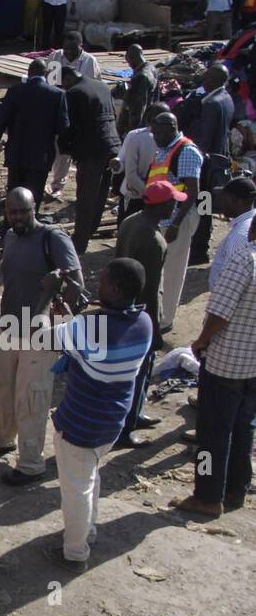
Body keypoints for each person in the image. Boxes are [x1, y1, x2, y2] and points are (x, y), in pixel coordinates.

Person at [46, 259, 153, 570]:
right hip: (112, 421)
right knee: (88, 476)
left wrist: (48, 295)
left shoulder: (89, 327)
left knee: (75, 490)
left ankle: (74, 552)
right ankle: (88, 531)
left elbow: (41, 336)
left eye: (103, 282)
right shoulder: (144, 323)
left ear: (116, 289)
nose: (97, 285)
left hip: (81, 423)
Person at [0, 186, 81, 482]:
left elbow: (76, 283)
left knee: (31, 398)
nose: (18, 217)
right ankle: (0, 438)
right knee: (0, 385)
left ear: (35, 209)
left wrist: (57, 325)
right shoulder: (10, 236)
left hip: (39, 332)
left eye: (23, 211)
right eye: (12, 212)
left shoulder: (52, 238)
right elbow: (9, 260)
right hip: (10, 325)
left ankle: (31, 463)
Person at [170, 243, 256, 517]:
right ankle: (236, 490)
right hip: (252, 367)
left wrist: (201, 341)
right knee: (243, 430)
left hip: (225, 365)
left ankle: (207, 496)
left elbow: (220, 313)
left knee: (210, 436)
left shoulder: (245, 259)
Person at [113, 181, 179, 448]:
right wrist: (155, 330)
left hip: (123, 308)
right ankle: (126, 429)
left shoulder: (130, 222)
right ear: (162, 205)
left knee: (135, 372)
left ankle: (136, 413)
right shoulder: (154, 241)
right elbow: (151, 291)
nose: (175, 207)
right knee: (138, 372)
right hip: (142, 316)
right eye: (173, 202)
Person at [0, 59, 68, 203]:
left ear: (28, 73)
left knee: (15, 197)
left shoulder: (14, 91)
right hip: (41, 156)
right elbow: (63, 128)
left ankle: (11, 217)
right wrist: (68, 150)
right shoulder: (57, 94)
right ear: (46, 73)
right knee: (33, 198)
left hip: (16, 153)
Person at [148, 110, 204, 332]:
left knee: (172, 271)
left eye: (160, 133)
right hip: (162, 217)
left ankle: (164, 320)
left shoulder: (186, 151)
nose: (156, 138)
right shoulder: (165, 148)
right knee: (158, 269)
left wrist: (176, 224)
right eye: (154, 134)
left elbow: (192, 192)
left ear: (173, 129)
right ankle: (154, 312)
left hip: (178, 219)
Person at [58, 65, 120, 254]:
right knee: (100, 194)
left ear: (67, 79)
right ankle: (90, 230)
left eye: (63, 84)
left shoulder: (74, 93)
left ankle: (80, 242)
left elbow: (68, 125)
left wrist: (65, 148)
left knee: (85, 196)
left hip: (92, 150)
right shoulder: (102, 85)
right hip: (112, 146)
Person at [178, 64, 234, 265]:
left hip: (205, 166)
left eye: (208, 76)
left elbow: (203, 139)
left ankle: (198, 249)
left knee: (201, 205)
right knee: (206, 206)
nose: (204, 79)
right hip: (217, 162)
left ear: (214, 80)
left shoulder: (210, 104)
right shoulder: (226, 98)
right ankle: (201, 246)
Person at [47, 31, 100, 196]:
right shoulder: (55, 57)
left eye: (72, 49)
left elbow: (90, 90)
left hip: (78, 111)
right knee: (51, 145)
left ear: (80, 47)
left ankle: (57, 185)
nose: (68, 53)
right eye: (66, 49)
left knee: (66, 150)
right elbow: (51, 85)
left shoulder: (89, 62)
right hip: (57, 108)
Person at [112, 101, 170, 222]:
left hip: (136, 192)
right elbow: (122, 161)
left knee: (128, 227)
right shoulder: (136, 136)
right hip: (146, 194)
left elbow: (125, 166)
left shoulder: (136, 136)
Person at [210, 177, 256, 290]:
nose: (220, 203)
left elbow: (232, 283)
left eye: (223, 199)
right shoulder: (250, 223)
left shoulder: (238, 236)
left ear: (234, 200)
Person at [117, 44, 158, 138]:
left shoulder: (140, 76)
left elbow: (138, 108)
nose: (130, 66)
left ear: (132, 58)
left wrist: (132, 132)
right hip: (151, 121)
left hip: (140, 127)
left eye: (129, 62)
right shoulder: (152, 69)